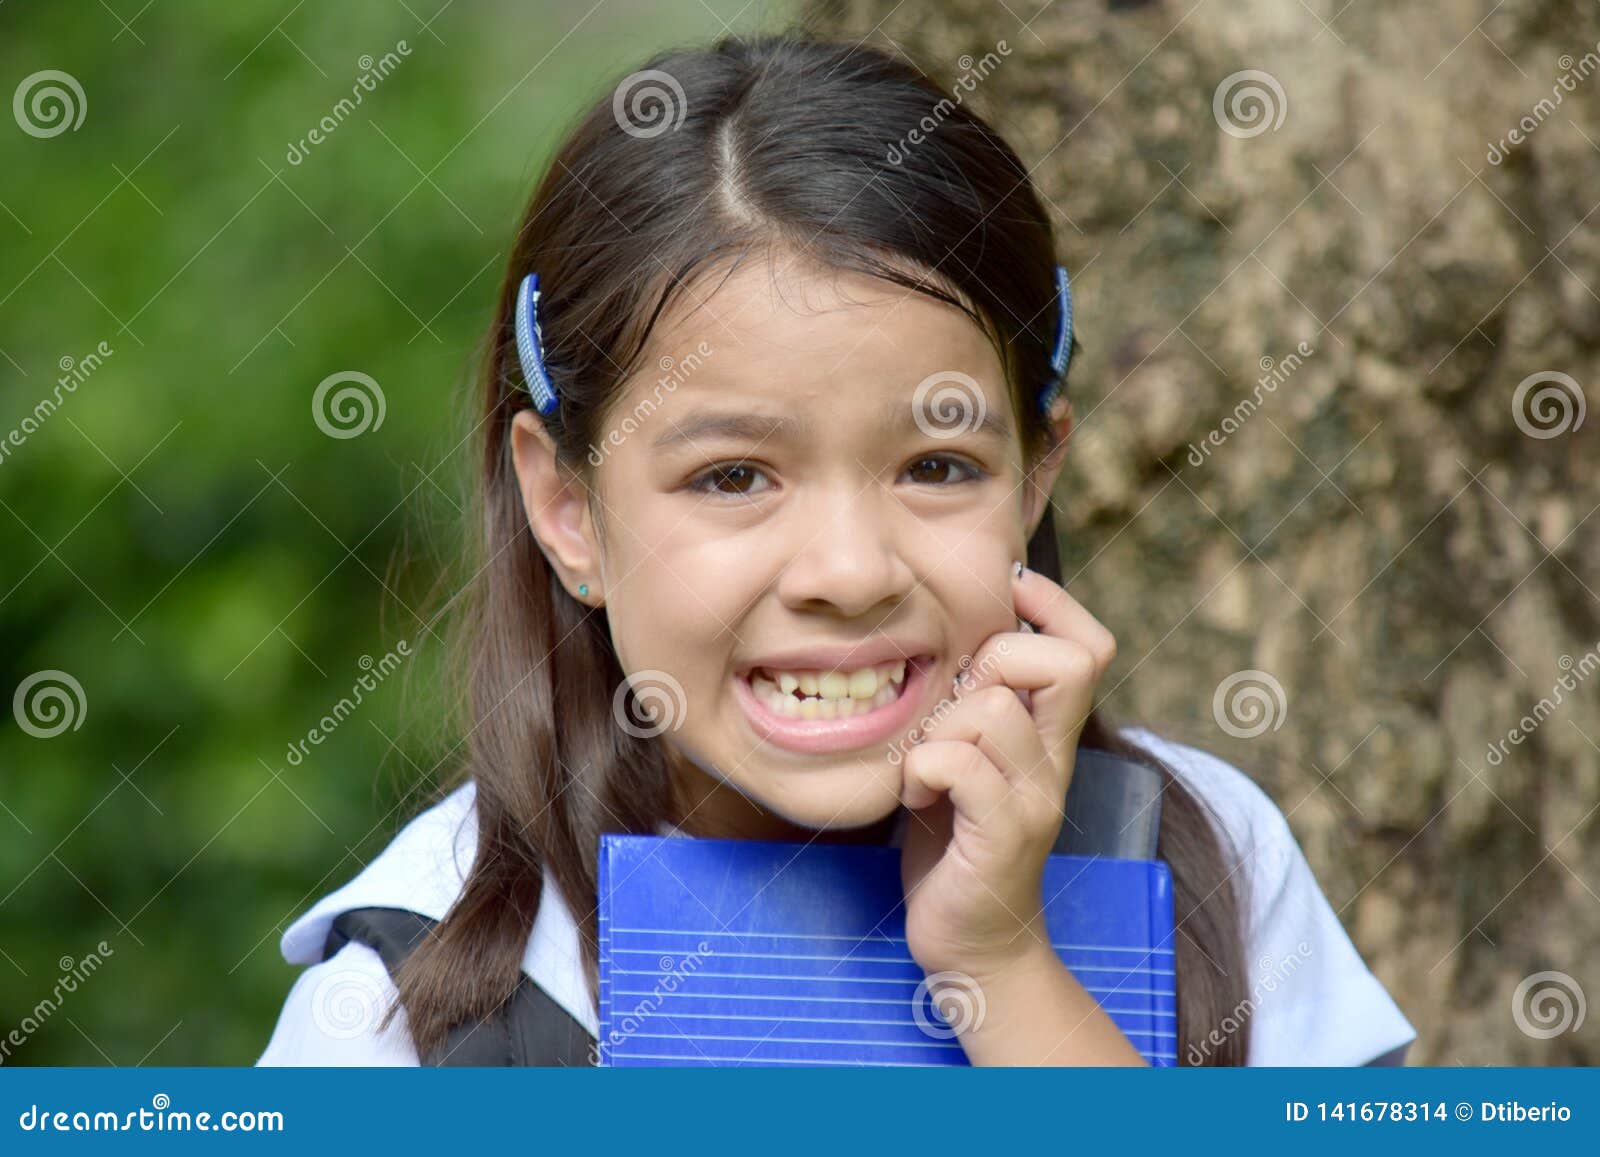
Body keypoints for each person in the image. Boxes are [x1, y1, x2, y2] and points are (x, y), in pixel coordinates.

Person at [258, 30, 1415, 1067]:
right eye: (733, 477)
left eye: (936, 466)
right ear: (569, 509)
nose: (852, 573)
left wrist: (1003, 964)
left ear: (1035, 472)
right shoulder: (415, 998)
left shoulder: (1207, 861)